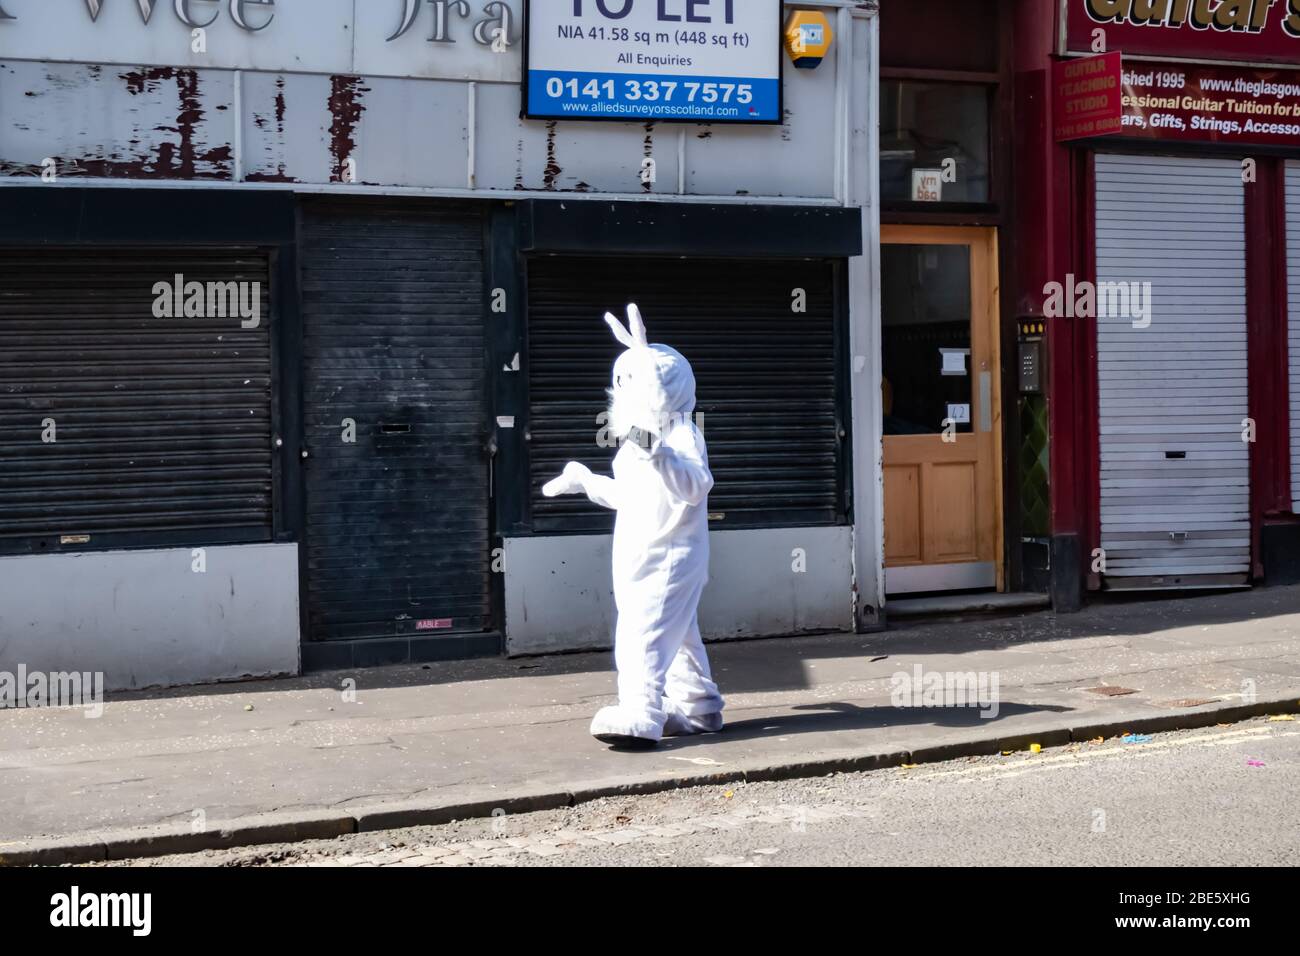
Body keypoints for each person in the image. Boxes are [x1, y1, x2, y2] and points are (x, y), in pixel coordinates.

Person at [543, 304, 725, 749]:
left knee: (643, 631)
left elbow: (695, 485)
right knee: (678, 635)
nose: (622, 389)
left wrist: (652, 447)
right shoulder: (638, 440)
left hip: (669, 555)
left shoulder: (680, 431)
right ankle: (700, 708)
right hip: (642, 553)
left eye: (633, 381)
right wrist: (585, 481)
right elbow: (631, 497)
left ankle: (640, 711)